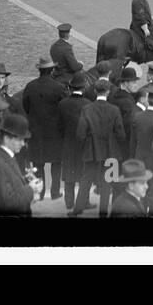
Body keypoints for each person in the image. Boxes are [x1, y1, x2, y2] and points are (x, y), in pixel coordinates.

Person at [77, 78, 126, 217]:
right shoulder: (115, 110)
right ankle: (103, 212)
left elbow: (80, 133)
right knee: (107, 183)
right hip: (111, 150)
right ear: (108, 92)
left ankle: (78, 209)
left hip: (91, 149)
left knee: (86, 180)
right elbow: (121, 134)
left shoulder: (86, 109)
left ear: (94, 91)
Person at [0, 112, 45, 215]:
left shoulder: (6, 156)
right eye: (19, 140)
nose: (23, 144)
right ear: (6, 139)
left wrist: (25, 180)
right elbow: (7, 203)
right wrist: (30, 189)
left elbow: (9, 186)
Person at [21, 57, 66, 199]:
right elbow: (63, 108)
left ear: (39, 70)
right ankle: (55, 192)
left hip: (36, 131)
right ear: (52, 70)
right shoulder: (59, 87)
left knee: (38, 163)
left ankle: (40, 192)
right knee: (56, 163)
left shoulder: (30, 86)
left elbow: (26, 107)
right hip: (55, 132)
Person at [58, 72, 90, 213]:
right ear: (83, 88)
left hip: (68, 142)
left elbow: (59, 126)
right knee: (84, 174)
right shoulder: (88, 104)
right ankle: (84, 202)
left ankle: (69, 202)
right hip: (83, 145)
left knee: (69, 173)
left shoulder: (62, 103)